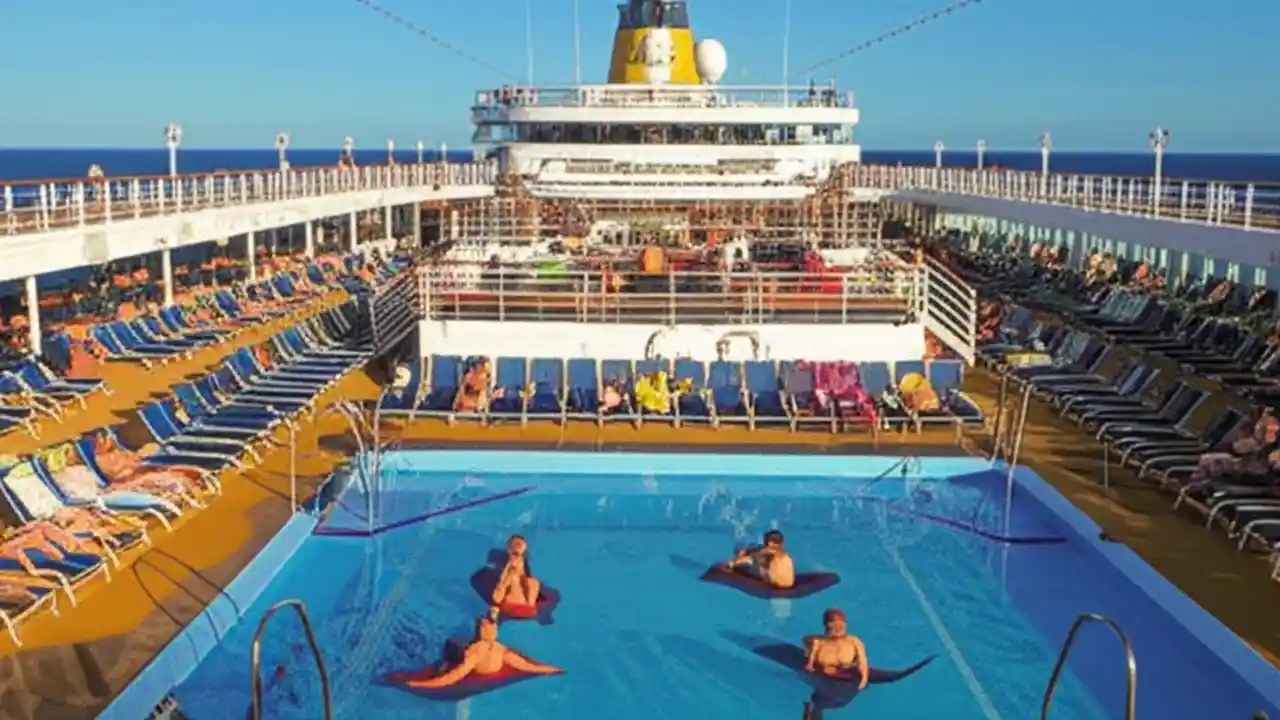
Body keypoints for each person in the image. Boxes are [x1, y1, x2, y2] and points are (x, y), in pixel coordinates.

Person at [402, 616, 560, 689]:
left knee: (452, 647)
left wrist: (549, 669)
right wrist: (550, 669)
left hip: (473, 658)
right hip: (477, 658)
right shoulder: (492, 651)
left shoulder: (485, 651)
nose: (492, 628)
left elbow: (452, 677)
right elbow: (527, 666)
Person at [804, 608, 869, 690]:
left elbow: (862, 661)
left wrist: (864, 679)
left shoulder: (854, 641)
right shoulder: (818, 642)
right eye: (834, 625)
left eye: (841, 625)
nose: (838, 628)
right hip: (825, 675)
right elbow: (809, 664)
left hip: (847, 672)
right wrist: (810, 665)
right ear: (827, 626)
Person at [727, 529, 795, 589]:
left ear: (770, 543)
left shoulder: (766, 553)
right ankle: (744, 552)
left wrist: (732, 564)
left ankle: (742, 552)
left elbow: (749, 559)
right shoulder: (785, 555)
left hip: (776, 582)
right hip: (786, 583)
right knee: (757, 555)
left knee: (756, 557)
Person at [491, 534, 541, 609]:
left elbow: (530, 605)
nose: (517, 559)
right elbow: (497, 599)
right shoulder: (505, 578)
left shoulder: (532, 583)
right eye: (515, 555)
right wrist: (507, 576)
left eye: (521, 556)